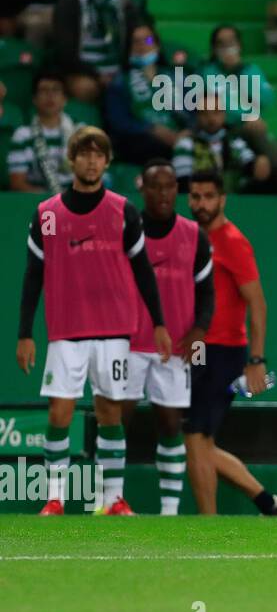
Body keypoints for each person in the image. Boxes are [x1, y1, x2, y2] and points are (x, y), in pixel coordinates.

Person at [15, 126, 169, 516]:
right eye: (83, 153)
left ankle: (111, 498)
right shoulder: (47, 214)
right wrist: (24, 333)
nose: (90, 160)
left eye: (97, 153)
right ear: (71, 159)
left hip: (115, 329)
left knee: (110, 413)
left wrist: (160, 323)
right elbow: (34, 273)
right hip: (66, 331)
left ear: (107, 160)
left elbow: (143, 271)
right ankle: (55, 498)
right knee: (58, 414)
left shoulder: (122, 210)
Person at [185, 170, 277, 516]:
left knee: (195, 439)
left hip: (225, 353)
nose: (201, 204)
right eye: (196, 197)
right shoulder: (188, 238)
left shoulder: (232, 241)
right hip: (194, 351)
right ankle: (269, 504)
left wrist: (257, 360)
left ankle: (209, 523)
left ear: (223, 199)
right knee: (200, 442)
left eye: (208, 197)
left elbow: (257, 303)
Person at [121, 161, 213, 515]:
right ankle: (108, 499)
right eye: (155, 186)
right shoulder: (127, 231)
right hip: (128, 343)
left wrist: (199, 332)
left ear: (178, 190)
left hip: (174, 348)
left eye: (170, 186)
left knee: (172, 423)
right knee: (117, 420)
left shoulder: (194, 236)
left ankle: (169, 511)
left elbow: (208, 294)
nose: (163, 193)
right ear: (142, 188)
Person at [52, 0, 149, 104]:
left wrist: (148, 44)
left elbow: (147, 34)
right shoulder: (68, 3)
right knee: (84, 88)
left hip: (122, 69)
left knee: (146, 81)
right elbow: (65, 52)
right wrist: (97, 75)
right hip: (85, 73)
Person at [103, 24, 184, 165]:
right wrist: (150, 129)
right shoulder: (119, 83)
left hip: (180, 138)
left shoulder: (177, 78)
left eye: (147, 41)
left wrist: (187, 132)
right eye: (136, 42)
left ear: (157, 46)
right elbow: (119, 122)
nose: (142, 46)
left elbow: (195, 111)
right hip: (142, 142)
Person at [173, 95, 273, 194]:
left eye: (216, 112)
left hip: (234, 203)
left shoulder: (234, 142)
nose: (211, 118)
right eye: (205, 113)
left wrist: (258, 164)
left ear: (224, 114)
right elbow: (183, 183)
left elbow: (249, 164)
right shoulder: (186, 144)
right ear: (197, 116)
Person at [6, 71, 78, 193]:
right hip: (36, 203)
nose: (50, 96)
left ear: (65, 99)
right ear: (34, 99)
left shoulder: (79, 133)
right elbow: (17, 184)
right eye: (44, 90)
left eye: (56, 90)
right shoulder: (22, 135)